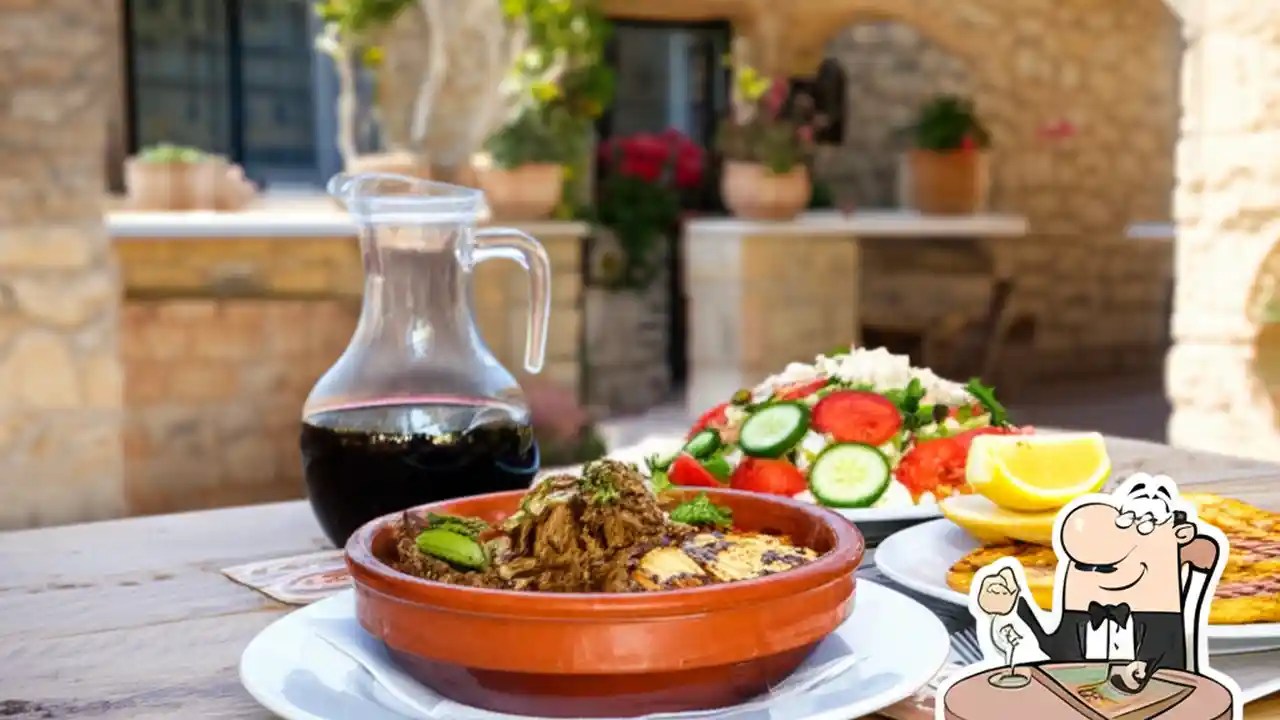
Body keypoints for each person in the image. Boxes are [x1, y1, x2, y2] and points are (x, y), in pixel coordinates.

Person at [977, 474, 1219, 693]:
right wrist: (1013, 607)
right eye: (1086, 567)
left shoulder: (1161, 616)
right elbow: (1054, 651)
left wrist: (1144, 669)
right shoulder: (1081, 608)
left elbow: (1173, 665)